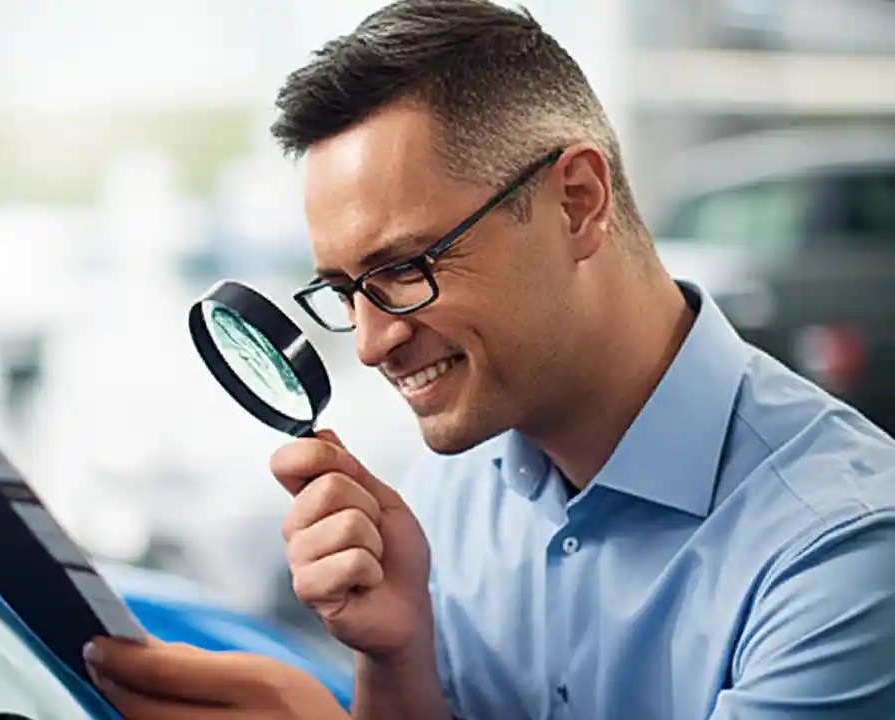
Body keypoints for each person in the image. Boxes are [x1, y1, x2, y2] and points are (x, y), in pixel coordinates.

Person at [83, 1, 895, 717]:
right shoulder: (445, 496)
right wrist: (392, 659)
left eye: (404, 267)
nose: (369, 345)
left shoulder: (845, 548)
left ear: (577, 202)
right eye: (342, 290)